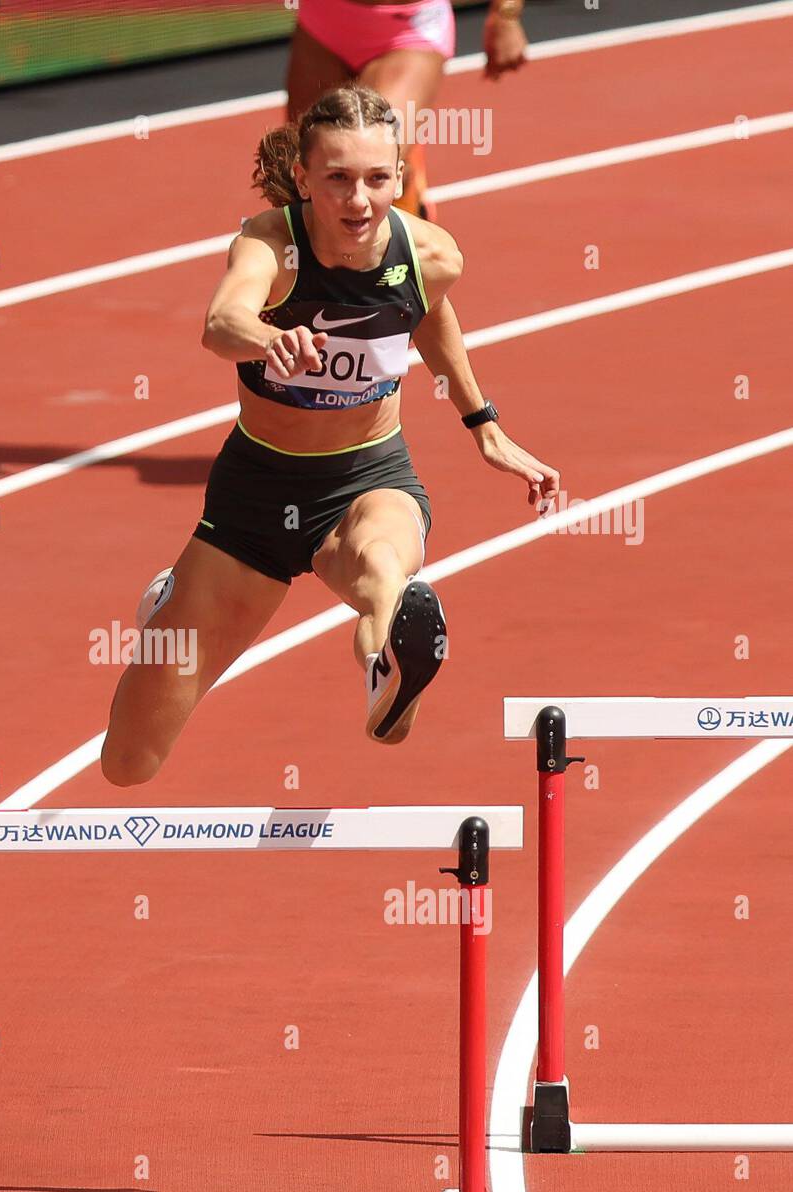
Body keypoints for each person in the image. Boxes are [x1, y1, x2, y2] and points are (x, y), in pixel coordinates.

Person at [99, 84, 557, 788]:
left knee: (385, 572)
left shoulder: (432, 254)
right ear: (305, 179)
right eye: (338, 179)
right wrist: (267, 338)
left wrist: (483, 425)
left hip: (368, 477)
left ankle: (388, 677)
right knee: (129, 765)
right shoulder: (268, 243)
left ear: (401, 178)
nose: (360, 200)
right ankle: (172, 603)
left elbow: (428, 314)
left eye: (378, 179)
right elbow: (220, 322)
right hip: (254, 500)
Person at [285, 0, 530, 219]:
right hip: (322, 19)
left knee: (367, 160)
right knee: (302, 172)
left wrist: (505, 14)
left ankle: (405, 214)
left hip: (407, 27)